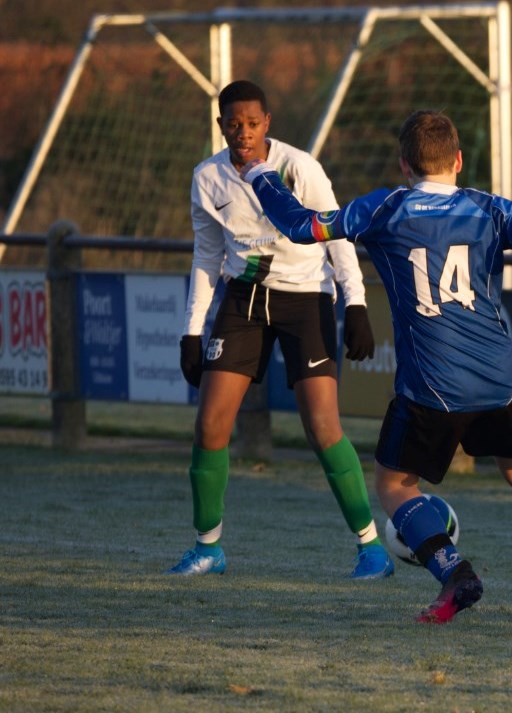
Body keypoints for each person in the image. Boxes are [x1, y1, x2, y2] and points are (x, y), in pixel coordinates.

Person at [241, 109, 512, 623]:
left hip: (433, 384)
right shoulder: (490, 208)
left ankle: (454, 572)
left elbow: (301, 226)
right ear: (459, 160)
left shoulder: (384, 208)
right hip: (499, 377)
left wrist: (258, 175)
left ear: (405, 164)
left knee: (393, 484)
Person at [169, 79, 393, 581]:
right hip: (243, 299)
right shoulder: (207, 178)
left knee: (322, 426)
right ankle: (208, 548)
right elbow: (206, 256)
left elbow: (338, 239)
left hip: (305, 299)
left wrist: (355, 303)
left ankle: (371, 550)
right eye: (233, 124)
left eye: (252, 123)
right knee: (209, 425)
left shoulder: (300, 168)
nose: (243, 133)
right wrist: (191, 331)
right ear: (221, 125)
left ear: (267, 123)